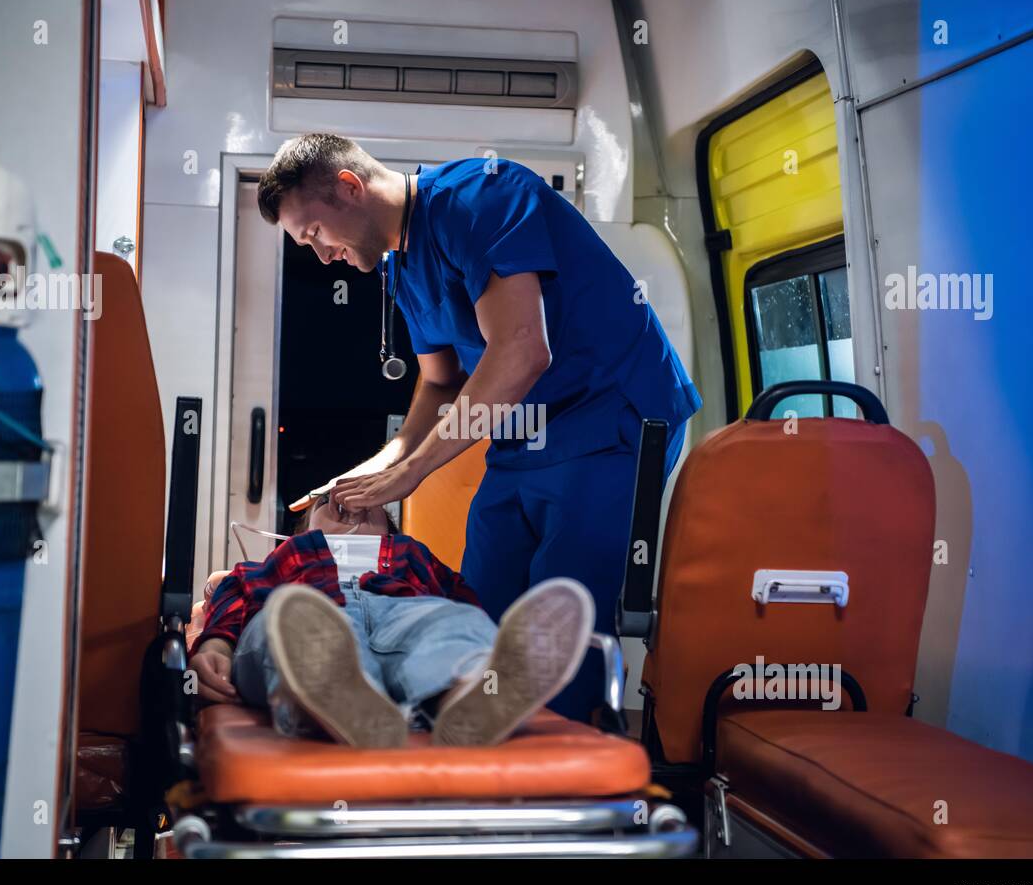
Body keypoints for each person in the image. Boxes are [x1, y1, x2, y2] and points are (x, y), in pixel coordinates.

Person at [255, 134, 701, 722]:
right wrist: (376, 468)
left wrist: (414, 472)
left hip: (612, 419)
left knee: (559, 620)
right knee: (480, 610)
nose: (322, 256)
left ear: (349, 187)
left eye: (314, 234)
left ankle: (559, 790)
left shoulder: (482, 196)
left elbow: (521, 349)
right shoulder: (402, 268)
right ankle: (478, 770)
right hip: (523, 437)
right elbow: (439, 384)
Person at [186, 493, 594, 748]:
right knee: (294, 628)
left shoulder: (412, 556)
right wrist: (213, 647)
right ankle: (331, 697)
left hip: (404, 609)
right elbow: (230, 610)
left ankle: (471, 696)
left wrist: (485, 646)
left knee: (449, 625)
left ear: (390, 528)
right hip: (308, 609)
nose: (352, 506)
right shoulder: (272, 564)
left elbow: (464, 609)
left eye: (369, 504)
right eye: (333, 504)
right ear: (301, 530)